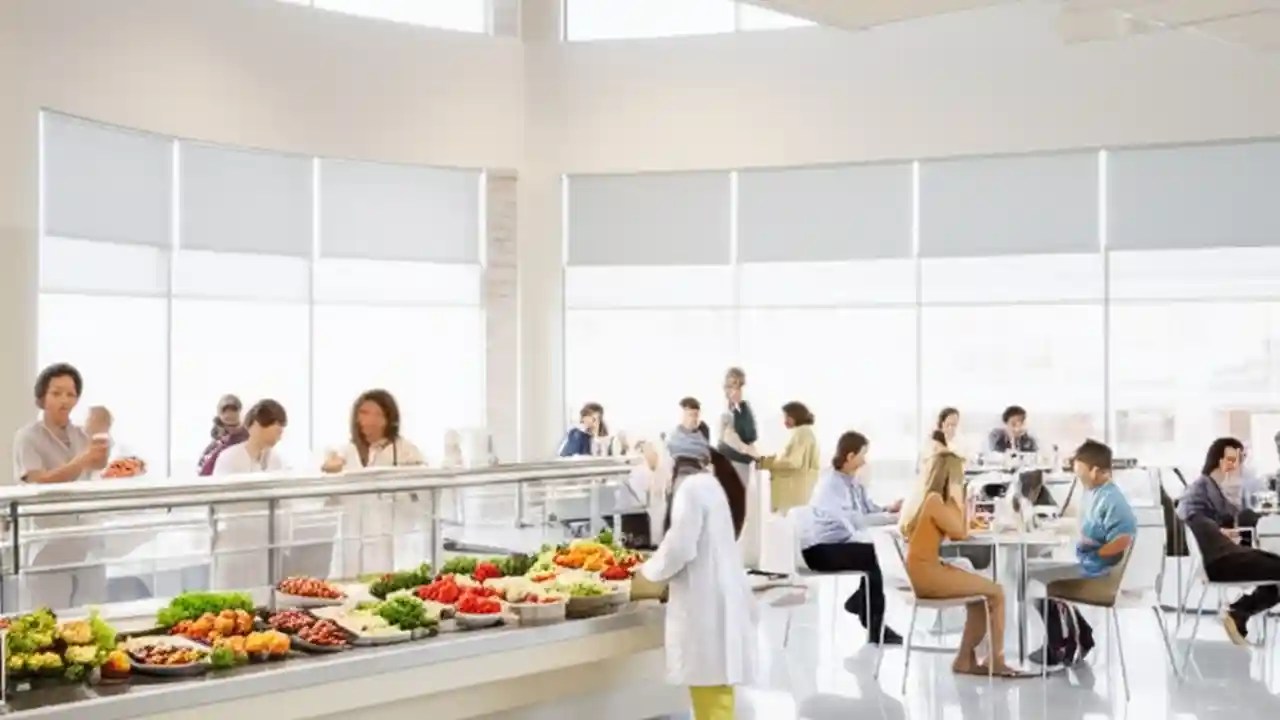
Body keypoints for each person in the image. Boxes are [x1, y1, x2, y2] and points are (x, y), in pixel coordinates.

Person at [637, 452, 757, 720]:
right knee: (717, 695)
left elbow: (680, 547)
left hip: (705, 606)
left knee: (710, 692)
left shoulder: (690, 489)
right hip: (718, 598)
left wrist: (647, 573)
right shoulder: (708, 485)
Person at [903, 451, 1030, 678]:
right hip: (928, 574)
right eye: (959, 476)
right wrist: (960, 500)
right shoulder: (934, 501)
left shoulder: (926, 499)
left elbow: (955, 531)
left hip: (923, 570)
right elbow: (960, 533)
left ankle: (964, 659)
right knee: (997, 592)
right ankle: (996, 660)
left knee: (980, 598)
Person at [1025, 440, 1135, 666]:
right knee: (1034, 573)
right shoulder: (1094, 493)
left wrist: (1095, 555)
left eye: (1079, 468)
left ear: (1095, 471)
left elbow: (1123, 539)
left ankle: (1056, 645)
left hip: (1100, 571)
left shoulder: (1112, 499)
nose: (1076, 473)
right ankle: (1081, 634)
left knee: (1033, 580)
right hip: (1088, 561)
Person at [12, 363, 109, 609]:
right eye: (56, 393)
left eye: (70, 394)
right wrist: (81, 461)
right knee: (49, 615)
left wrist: (102, 437)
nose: (64, 400)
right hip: (47, 544)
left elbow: (98, 467)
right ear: (42, 397)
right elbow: (38, 481)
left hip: (85, 540)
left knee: (90, 613)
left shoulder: (81, 435)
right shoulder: (27, 437)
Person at [799, 431, 904, 644]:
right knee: (872, 554)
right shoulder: (832, 484)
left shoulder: (852, 481)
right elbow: (856, 521)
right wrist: (892, 518)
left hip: (837, 545)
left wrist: (889, 509)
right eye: (862, 455)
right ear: (850, 456)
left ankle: (861, 604)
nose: (865, 461)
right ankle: (874, 626)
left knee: (873, 554)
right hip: (819, 551)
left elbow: (867, 509)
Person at [1178, 437, 1280, 644]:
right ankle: (1238, 612)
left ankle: (1239, 615)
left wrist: (1222, 531)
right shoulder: (1203, 489)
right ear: (1219, 460)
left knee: (1273, 576)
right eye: (1236, 459)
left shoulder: (1206, 487)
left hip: (1222, 555)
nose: (1239, 465)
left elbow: (1213, 522)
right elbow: (1204, 518)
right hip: (1221, 560)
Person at [322, 390, 426, 576]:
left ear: (389, 419)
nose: (369, 420)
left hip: (390, 540)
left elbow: (424, 498)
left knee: (385, 583)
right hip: (351, 541)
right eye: (363, 413)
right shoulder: (344, 452)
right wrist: (328, 473)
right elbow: (326, 500)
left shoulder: (406, 452)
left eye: (377, 414)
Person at [210, 399, 288, 590]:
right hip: (235, 546)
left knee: (263, 595)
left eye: (281, 426)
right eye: (276, 425)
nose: (280, 433)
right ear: (256, 424)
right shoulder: (230, 458)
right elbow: (223, 505)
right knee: (232, 598)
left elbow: (284, 501)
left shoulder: (276, 459)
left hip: (266, 545)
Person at [757, 401, 820, 513]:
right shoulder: (806, 433)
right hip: (800, 493)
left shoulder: (802, 433)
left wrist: (766, 463)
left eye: (787, 417)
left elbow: (793, 462)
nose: (785, 421)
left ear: (795, 417)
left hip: (793, 494)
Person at [716, 367, 759, 487]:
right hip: (730, 462)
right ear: (726, 388)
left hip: (745, 463)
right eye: (732, 387)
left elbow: (751, 436)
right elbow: (729, 437)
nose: (736, 391)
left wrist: (756, 455)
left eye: (739, 387)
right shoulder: (725, 411)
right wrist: (751, 451)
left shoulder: (745, 409)